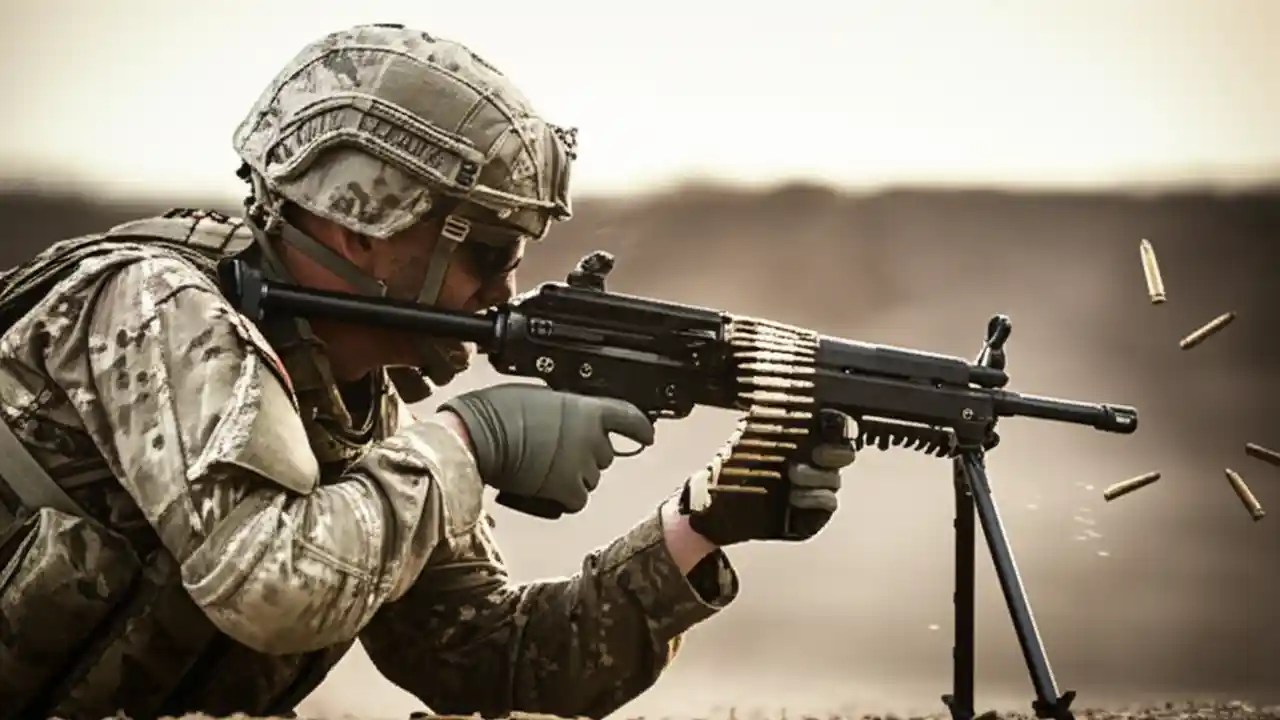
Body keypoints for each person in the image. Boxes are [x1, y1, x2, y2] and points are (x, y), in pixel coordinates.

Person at [0, 23, 855, 720]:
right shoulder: (152, 308)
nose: (506, 289)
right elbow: (269, 587)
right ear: (363, 221)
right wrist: (466, 442)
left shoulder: (354, 412)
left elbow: (489, 657)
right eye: (488, 251)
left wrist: (700, 526)